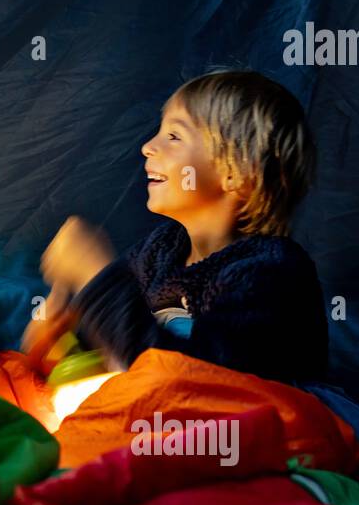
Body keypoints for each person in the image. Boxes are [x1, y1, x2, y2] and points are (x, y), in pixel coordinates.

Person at [26, 70, 328, 386]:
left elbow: (197, 385)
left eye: (174, 136)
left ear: (238, 173)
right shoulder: (160, 250)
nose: (147, 146)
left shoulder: (270, 273)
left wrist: (96, 277)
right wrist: (65, 337)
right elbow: (123, 343)